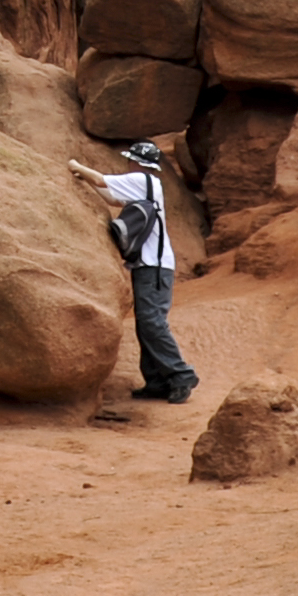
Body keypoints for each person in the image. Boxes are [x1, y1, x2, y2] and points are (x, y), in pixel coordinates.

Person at [66, 140, 194, 404]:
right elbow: (113, 197)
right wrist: (86, 180)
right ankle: (157, 381)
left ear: (137, 162)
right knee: (147, 323)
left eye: (130, 159)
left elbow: (102, 181)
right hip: (148, 265)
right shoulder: (145, 184)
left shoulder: (143, 180)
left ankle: (181, 376)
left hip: (154, 266)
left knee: (152, 322)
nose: (127, 163)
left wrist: (76, 166)